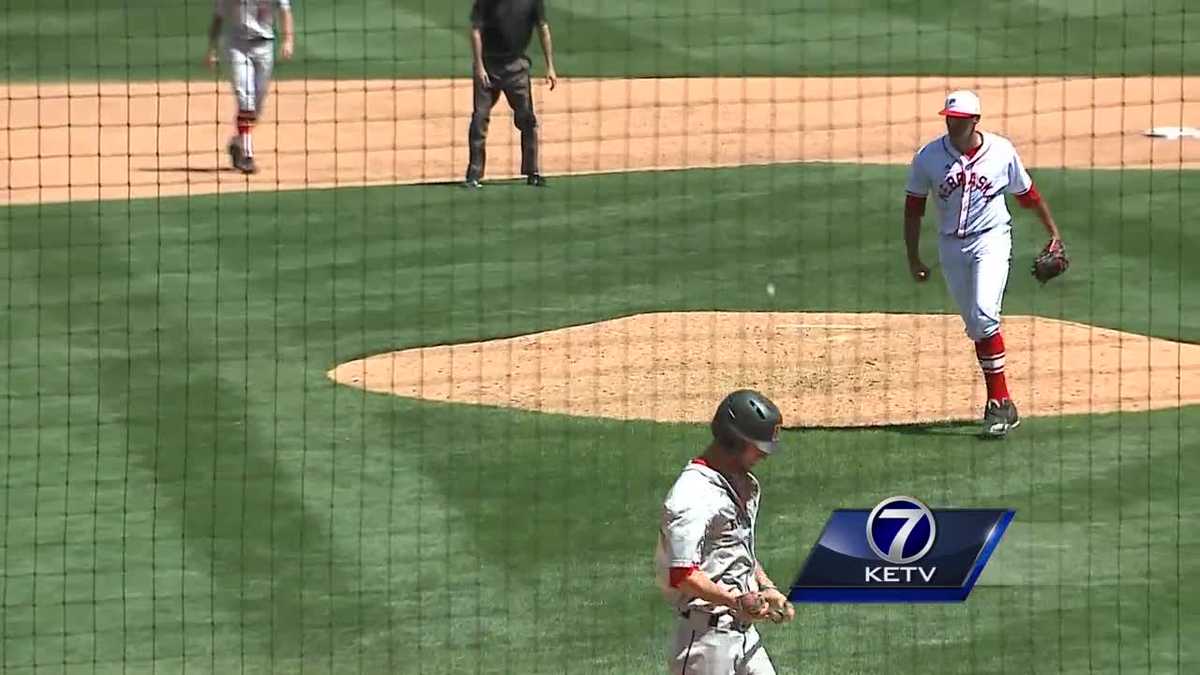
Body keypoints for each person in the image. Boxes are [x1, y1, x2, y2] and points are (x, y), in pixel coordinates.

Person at [903, 90, 1064, 437]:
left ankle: (998, 403)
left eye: (959, 121)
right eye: (948, 118)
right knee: (976, 325)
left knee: (985, 313)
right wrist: (913, 256)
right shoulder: (929, 156)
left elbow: (1028, 195)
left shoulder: (1001, 151)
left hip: (991, 240)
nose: (952, 125)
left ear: (975, 121)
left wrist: (1053, 233)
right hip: (950, 247)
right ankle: (1004, 403)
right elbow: (913, 207)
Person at [655, 390, 795, 675]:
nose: (763, 456)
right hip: (705, 643)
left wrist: (766, 587)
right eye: (757, 447)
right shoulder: (692, 494)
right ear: (734, 441)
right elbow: (682, 574)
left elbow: (737, 548)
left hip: (744, 634)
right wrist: (735, 600)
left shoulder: (741, 484)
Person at [464, 0, 559, 189]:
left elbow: (543, 28)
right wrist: (480, 67)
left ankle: (533, 172)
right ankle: (474, 174)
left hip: (517, 67)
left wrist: (550, 66)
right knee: (479, 119)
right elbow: (476, 31)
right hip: (488, 67)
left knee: (527, 120)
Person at [204, 0, 295, 175]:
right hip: (236, 46)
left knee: (257, 106)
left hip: (265, 46)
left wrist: (288, 40)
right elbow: (218, 18)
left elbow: (285, 10)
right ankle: (247, 154)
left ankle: (238, 143)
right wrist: (211, 49)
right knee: (245, 98)